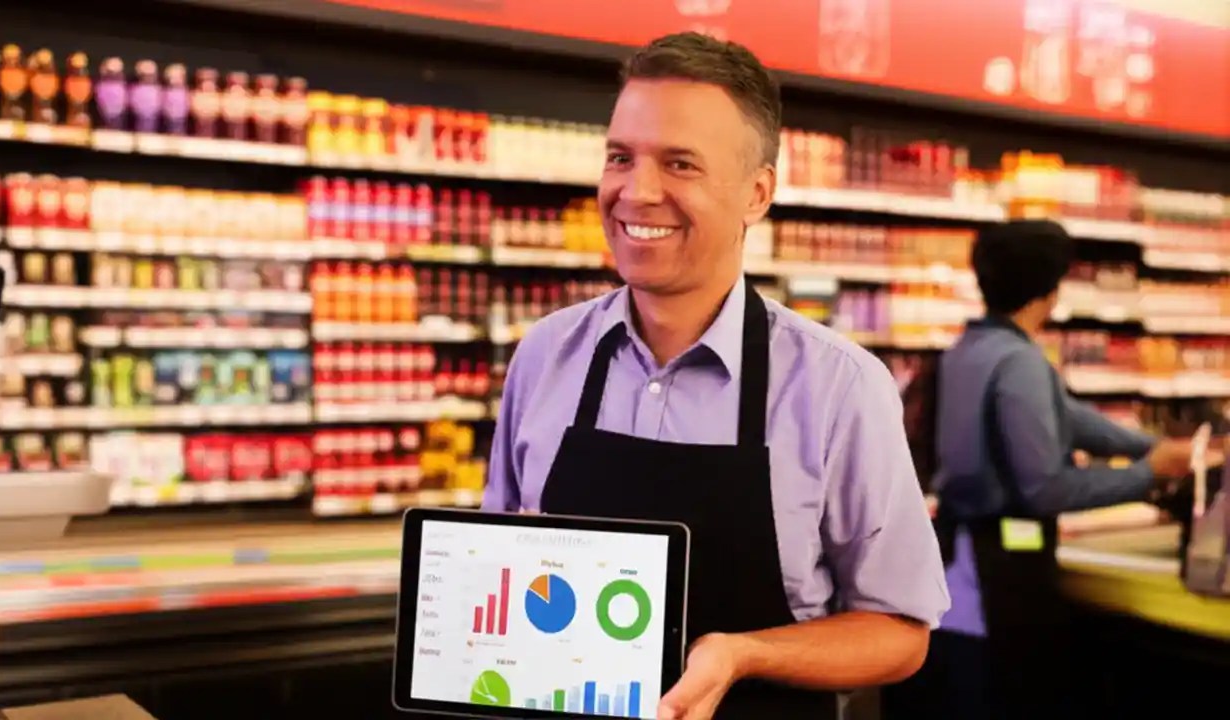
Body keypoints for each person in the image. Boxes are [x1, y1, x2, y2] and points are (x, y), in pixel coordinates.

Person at [483, 32, 949, 720]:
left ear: (757, 194)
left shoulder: (839, 387)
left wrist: (744, 654)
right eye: (620, 157)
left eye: (680, 164)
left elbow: (900, 634)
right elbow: (498, 577)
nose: (636, 192)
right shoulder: (546, 355)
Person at [910, 219, 1224, 720]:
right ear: (1050, 291)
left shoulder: (970, 351)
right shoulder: (1020, 364)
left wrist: (1161, 448)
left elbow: (1073, 419)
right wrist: (1148, 474)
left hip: (957, 556)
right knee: (1010, 695)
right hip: (1004, 572)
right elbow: (1045, 489)